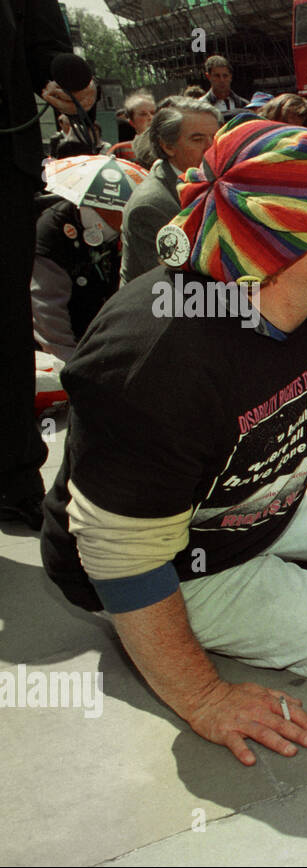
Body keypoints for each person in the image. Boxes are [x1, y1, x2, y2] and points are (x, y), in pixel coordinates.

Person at [41, 117, 307, 766]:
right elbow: (119, 554)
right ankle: (240, 589)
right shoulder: (158, 357)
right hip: (159, 552)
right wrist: (204, 698)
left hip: (247, 496)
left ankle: (268, 562)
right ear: (279, 244)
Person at [1, 0, 85, 530]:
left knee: (7, 330)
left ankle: (12, 482)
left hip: (4, 165)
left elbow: (44, 48)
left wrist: (65, 79)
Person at [120, 98, 222, 283]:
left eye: (215, 139)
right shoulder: (151, 206)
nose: (211, 148)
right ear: (168, 146)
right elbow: (181, 282)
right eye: (197, 139)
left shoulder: (208, 179)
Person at [31, 197, 121, 361]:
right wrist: (73, 364)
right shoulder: (52, 231)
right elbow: (47, 314)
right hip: (61, 353)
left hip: (99, 344)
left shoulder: (118, 232)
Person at [106, 90, 154, 162]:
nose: (150, 117)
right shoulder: (120, 150)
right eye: (143, 114)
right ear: (132, 122)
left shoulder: (170, 147)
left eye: (153, 113)